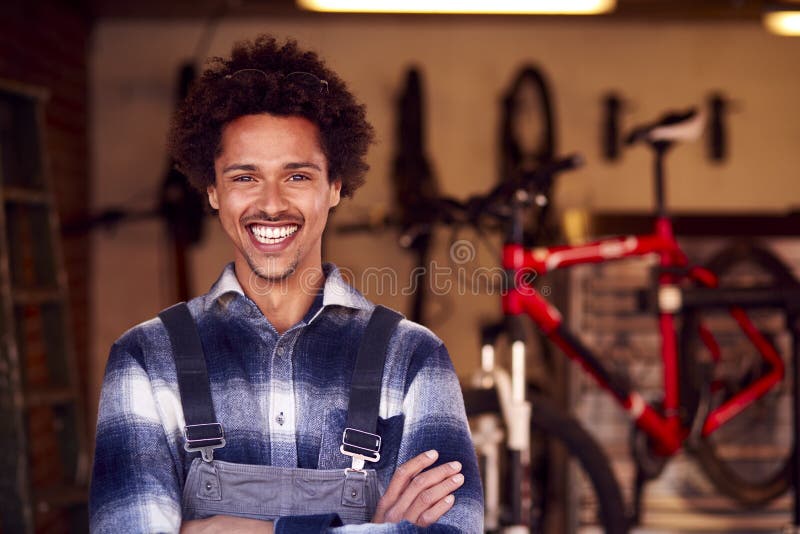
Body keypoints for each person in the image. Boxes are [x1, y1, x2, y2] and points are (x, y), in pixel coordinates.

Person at [90, 35, 482, 533]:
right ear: (212, 190)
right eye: (244, 177)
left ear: (334, 187)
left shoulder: (412, 360)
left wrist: (226, 529)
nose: (271, 204)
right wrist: (375, 528)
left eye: (296, 176)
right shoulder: (147, 359)